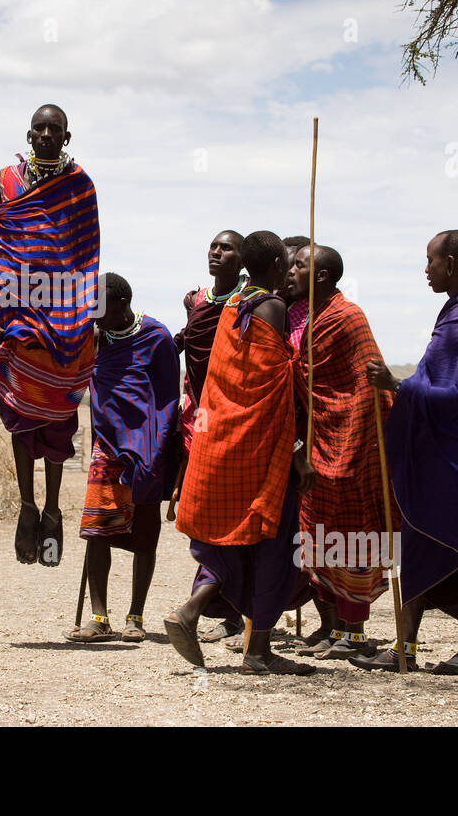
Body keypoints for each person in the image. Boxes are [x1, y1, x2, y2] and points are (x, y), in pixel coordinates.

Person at [355, 230, 458, 673]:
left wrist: (396, 386)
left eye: (431, 260)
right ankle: (406, 645)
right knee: (419, 541)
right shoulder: (457, 311)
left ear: (453, 263)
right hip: (441, 455)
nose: (426, 269)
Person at [165, 232, 316, 676]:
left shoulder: (233, 304)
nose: (292, 271)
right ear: (273, 262)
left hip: (226, 443)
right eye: (288, 262)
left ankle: (192, 612)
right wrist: (297, 452)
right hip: (263, 448)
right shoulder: (271, 307)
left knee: (237, 541)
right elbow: (273, 393)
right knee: (272, 544)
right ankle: (257, 651)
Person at [0, 104, 99, 568]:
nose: (47, 134)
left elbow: (86, 252)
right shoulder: (6, 180)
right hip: (18, 307)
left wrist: (82, 309)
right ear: (30, 133)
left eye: (55, 129)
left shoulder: (80, 185)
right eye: (40, 128)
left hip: (66, 309)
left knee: (59, 415)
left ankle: (52, 508)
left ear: (67, 136)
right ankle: (28, 506)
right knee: (21, 408)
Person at [289, 244, 394, 659]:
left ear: (323, 276)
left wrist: (348, 447)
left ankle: (354, 633)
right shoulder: (311, 317)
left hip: (354, 443)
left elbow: (366, 386)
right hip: (320, 440)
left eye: (300, 265)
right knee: (323, 533)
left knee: (355, 535)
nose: (292, 270)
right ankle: (337, 630)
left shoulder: (347, 316)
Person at [65, 273, 180, 643]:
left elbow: (166, 400)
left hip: (147, 448)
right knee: (97, 531)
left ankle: (136, 615)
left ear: (122, 302)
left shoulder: (156, 337)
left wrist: (155, 452)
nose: (92, 314)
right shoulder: (95, 340)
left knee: (145, 535)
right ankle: (99, 617)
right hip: (106, 448)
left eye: (98, 307)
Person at [170, 230, 245, 643]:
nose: (217, 253)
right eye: (214, 246)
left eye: (227, 248)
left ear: (242, 258)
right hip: (196, 418)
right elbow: (185, 343)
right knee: (204, 516)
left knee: (229, 514)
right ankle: (221, 606)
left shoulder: (249, 302)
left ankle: (222, 607)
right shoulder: (196, 301)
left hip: (231, 417)